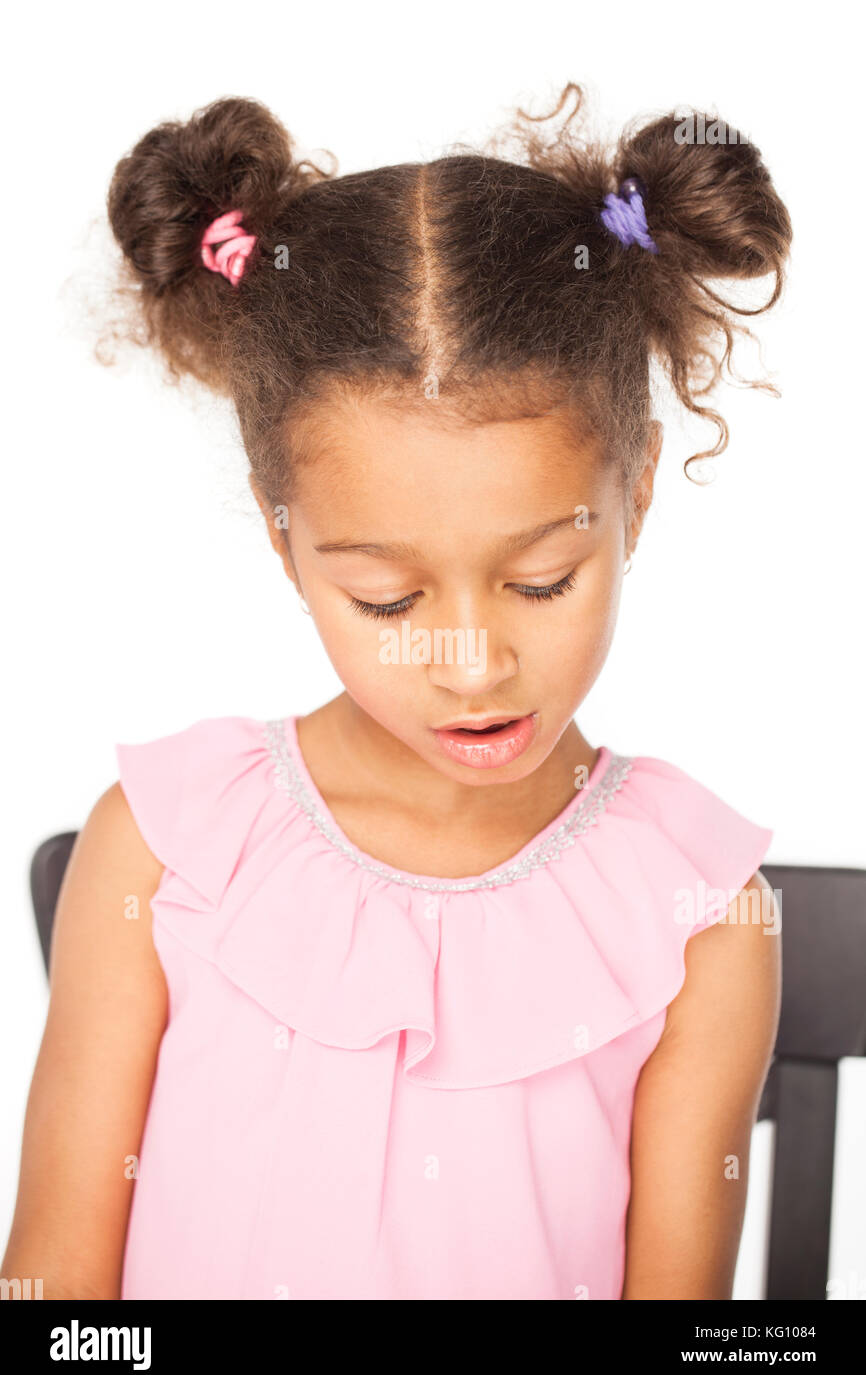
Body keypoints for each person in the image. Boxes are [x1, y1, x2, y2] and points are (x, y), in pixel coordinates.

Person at [1, 85, 789, 1300]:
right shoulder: (164, 850)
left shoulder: (696, 913)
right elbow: (53, 1298)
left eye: (541, 580)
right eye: (385, 601)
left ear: (633, 493)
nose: (468, 664)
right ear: (284, 540)